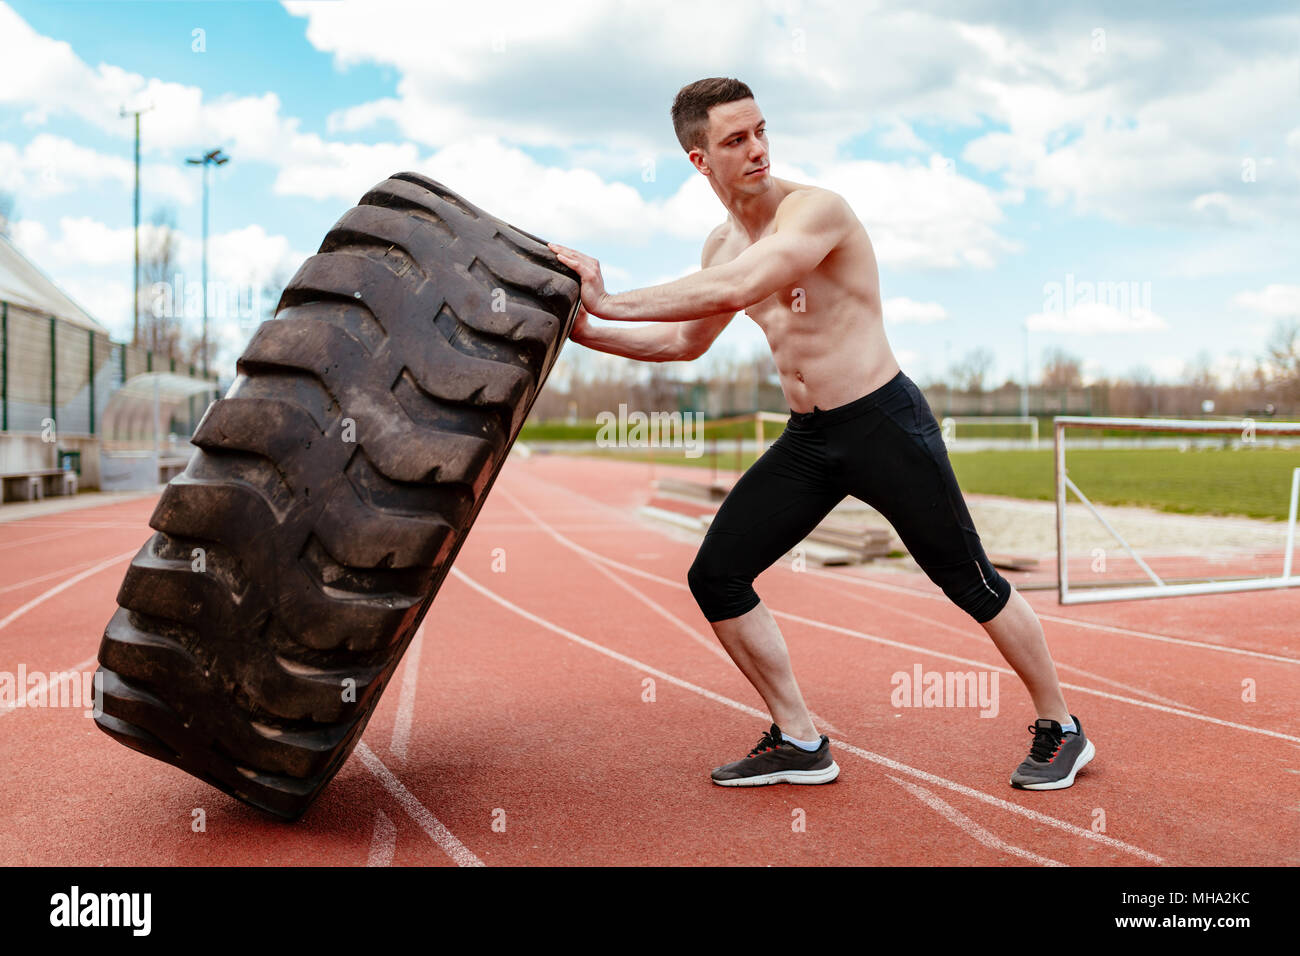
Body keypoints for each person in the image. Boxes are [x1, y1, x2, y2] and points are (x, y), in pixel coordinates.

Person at [548, 77, 1094, 791]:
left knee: (971, 581)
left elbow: (744, 285)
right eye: (735, 140)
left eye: (761, 131)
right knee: (715, 575)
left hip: (883, 423)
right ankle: (800, 739)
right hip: (809, 440)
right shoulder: (720, 243)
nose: (758, 150)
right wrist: (584, 330)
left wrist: (611, 298)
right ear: (698, 159)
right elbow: (684, 343)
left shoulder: (816, 211)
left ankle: (1062, 727)